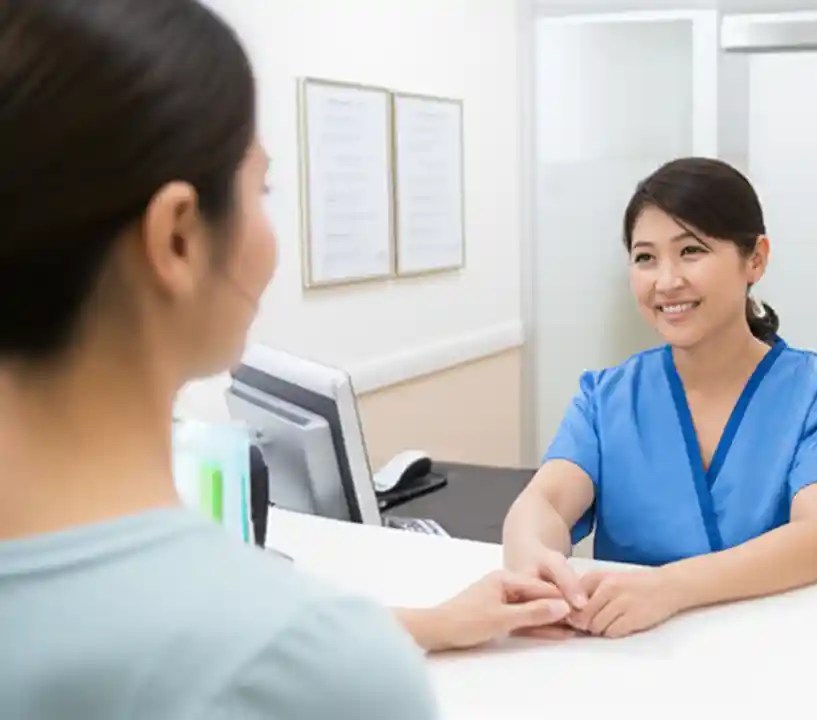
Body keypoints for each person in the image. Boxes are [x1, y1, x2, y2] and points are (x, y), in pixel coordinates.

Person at [0, 2, 569, 718]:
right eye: (261, 191)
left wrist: (424, 625)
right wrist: (343, 648)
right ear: (178, 237)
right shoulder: (310, 669)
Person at [503, 157, 817, 639]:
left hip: (791, 648)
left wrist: (669, 589)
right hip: (641, 655)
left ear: (755, 259)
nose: (666, 281)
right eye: (645, 258)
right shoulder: (607, 399)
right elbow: (545, 501)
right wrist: (531, 557)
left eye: (691, 251)